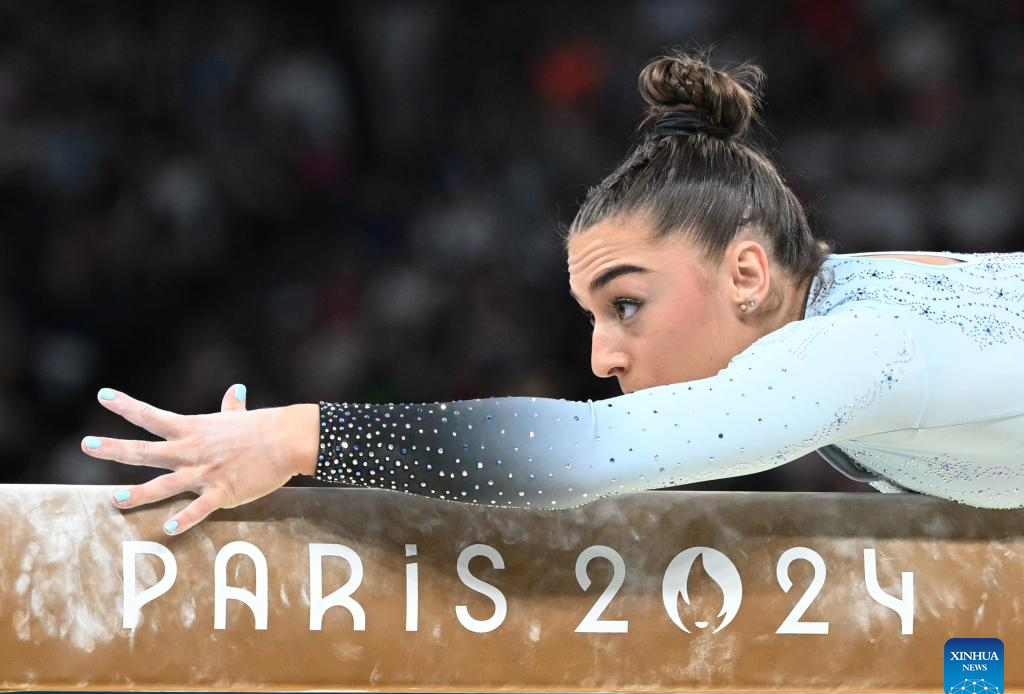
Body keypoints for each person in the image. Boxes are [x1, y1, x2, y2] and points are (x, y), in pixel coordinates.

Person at [84, 49, 1024, 536]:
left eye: (626, 305)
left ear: (747, 274)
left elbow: (582, 453)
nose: (601, 357)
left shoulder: (850, 349)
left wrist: (298, 438)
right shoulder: (872, 307)